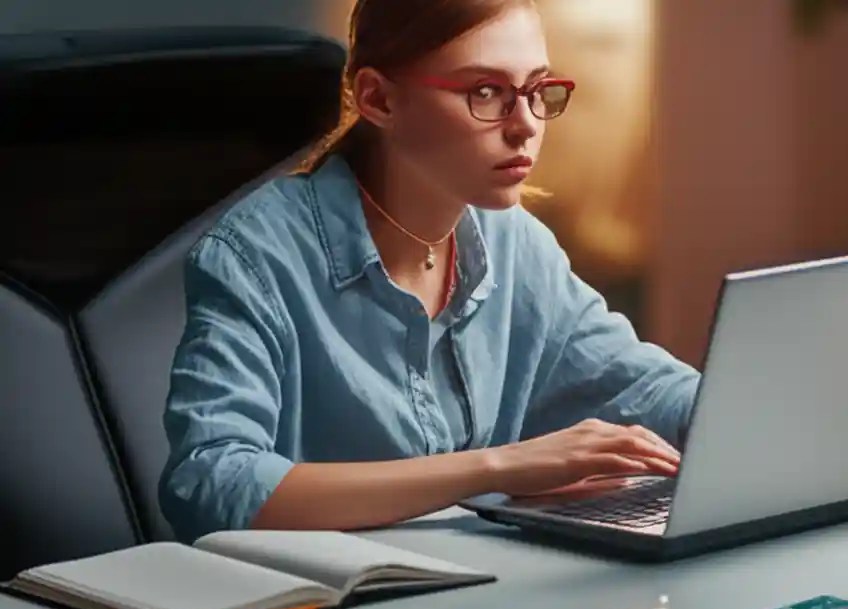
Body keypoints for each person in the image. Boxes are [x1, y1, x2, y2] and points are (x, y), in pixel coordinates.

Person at [159, 0, 700, 544]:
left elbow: (644, 387)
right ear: (379, 98)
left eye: (536, 90)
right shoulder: (255, 254)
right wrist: (499, 468)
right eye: (485, 92)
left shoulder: (514, 241)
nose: (526, 127)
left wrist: (745, 413)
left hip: (481, 591)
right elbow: (210, 482)